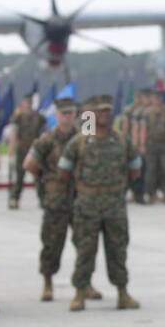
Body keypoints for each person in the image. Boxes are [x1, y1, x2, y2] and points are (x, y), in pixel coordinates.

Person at [59, 95, 140, 311]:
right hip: (87, 206)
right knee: (85, 251)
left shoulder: (122, 140)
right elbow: (64, 170)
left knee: (118, 250)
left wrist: (118, 187)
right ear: (91, 115)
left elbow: (135, 168)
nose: (105, 115)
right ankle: (79, 293)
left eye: (108, 111)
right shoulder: (80, 141)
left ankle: (123, 293)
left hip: (115, 205)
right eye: (100, 111)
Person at [25, 98, 103, 302]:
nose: (67, 117)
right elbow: (30, 164)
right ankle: (48, 283)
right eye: (63, 114)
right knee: (51, 243)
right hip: (56, 200)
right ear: (56, 115)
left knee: (85, 243)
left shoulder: (83, 138)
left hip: (80, 199)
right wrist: (46, 180)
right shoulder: (47, 140)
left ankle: (85, 283)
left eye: (70, 114)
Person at [7, 93, 46, 210]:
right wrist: (12, 148)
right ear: (22, 103)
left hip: (35, 149)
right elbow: (14, 132)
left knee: (38, 175)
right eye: (26, 102)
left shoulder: (39, 117)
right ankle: (15, 199)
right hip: (22, 149)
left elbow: (43, 133)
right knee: (19, 176)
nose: (28, 104)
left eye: (29, 102)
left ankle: (43, 199)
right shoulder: (17, 117)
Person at [140, 89, 165, 205]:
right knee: (150, 170)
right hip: (151, 145)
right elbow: (143, 129)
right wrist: (141, 144)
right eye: (155, 98)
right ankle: (151, 194)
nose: (157, 100)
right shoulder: (146, 113)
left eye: (159, 98)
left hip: (164, 145)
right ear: (152, 99)